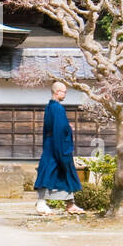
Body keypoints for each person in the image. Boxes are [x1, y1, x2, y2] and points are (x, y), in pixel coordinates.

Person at [34, 81, 85, 215]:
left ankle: (70, 204)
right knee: (49, 171)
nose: (65, 94)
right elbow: (59, 128)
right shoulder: (57, 108)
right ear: (57, 92)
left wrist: (66, 128)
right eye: (64, 92)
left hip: (52, 143)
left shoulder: (50, 107)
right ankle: (41, 203)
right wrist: (68, 131)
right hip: (57, 145)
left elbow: (53, 128)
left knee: (64, 171)